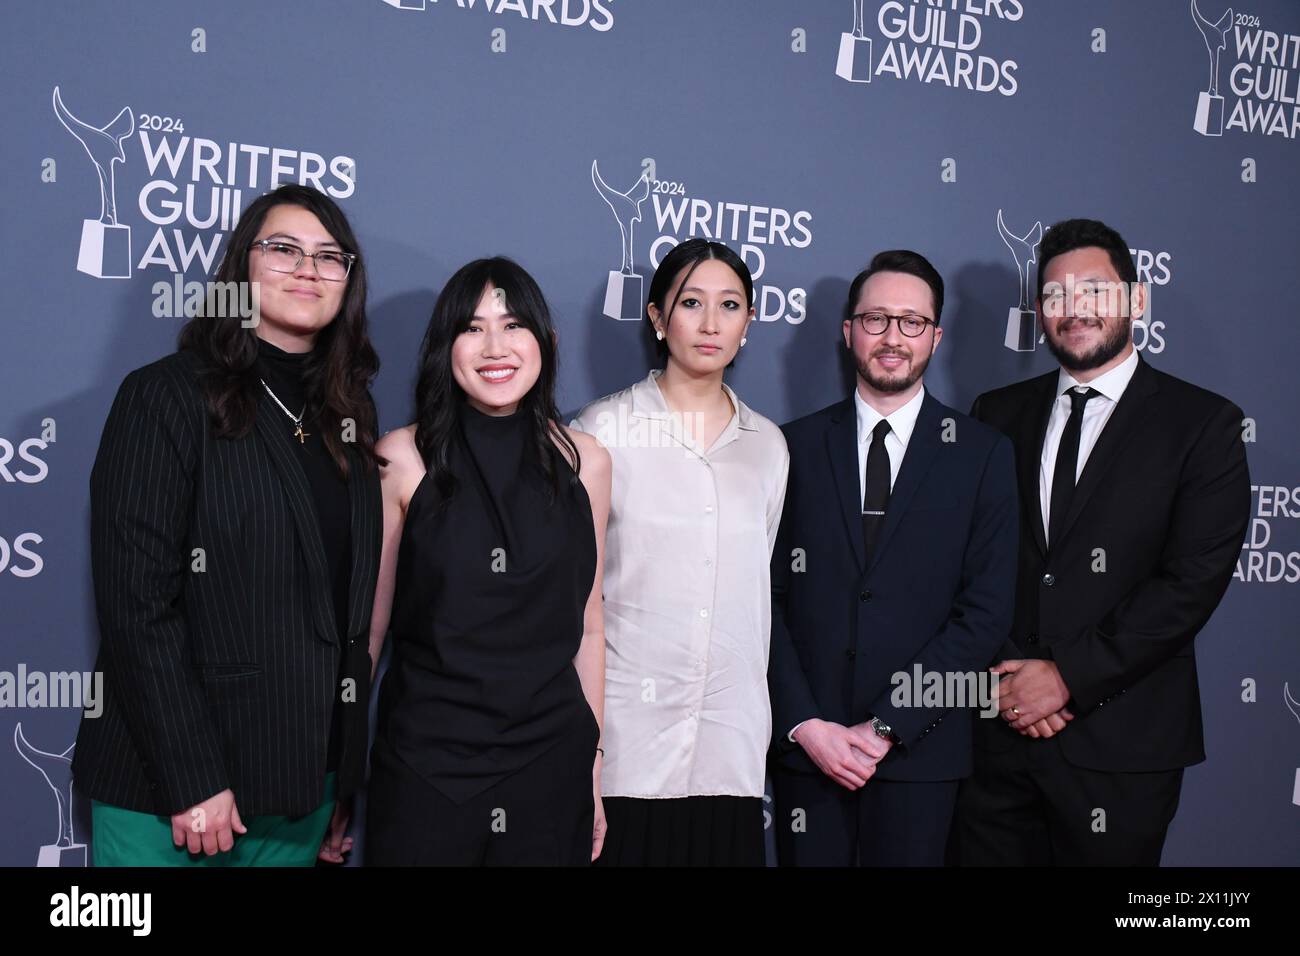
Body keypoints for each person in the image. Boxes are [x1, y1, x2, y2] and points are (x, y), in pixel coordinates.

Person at [74, 183, 383, 866]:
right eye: (284, 249)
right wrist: (194, 779)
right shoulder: (166, 396)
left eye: (331, 256)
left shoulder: (348, 416)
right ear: (241, 265)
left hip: (302, 786)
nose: (309, 269)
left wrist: (342, 780)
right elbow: (136, 607)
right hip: (169, 788)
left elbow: (347, 618)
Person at [951, 218, 1250, 866]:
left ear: (1137, 300)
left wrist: (1067, 678)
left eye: (1093, 290)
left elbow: (1190, 582)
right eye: (1055, 296)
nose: (1074, 308)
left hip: (1121, 745)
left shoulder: (1203, 425)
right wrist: (1010, 680)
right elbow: (972, 559)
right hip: (996, 738)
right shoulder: (996, 413)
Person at [768, 250, 1018, 866]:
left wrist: (886, 726)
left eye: (911, 322)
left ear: (935, 336)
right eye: (876, 319)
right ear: (847, 330)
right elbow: (761, 600)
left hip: (921, 753)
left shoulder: (982, 454)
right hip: (809, 756)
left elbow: (984, 614)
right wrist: (804, 724)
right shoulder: (788, 446)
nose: (892, 337)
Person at [364, 257, 610, 866]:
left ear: (545, 343)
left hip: (551, 766)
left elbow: (592, 625)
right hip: (426, 768)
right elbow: (368, 630)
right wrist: (337, 773)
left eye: (513, 324)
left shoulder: (588, 463)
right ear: (445, 347)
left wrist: (594, 767)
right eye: (472, 328)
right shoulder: (403, 458)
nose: (495, 346)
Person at [570, 238, 789, 866]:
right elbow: (578, 601)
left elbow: (756, 591)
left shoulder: (769, 447)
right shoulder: (601, 431)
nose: (712, 323)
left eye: (730, 305)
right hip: (625, 751)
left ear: (749, 324)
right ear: (659, 318)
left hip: (732, 751)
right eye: (691, 303)